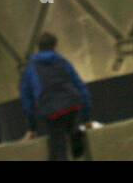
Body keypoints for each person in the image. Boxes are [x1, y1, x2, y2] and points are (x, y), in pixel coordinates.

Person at [19, 33, 91, 161]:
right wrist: (86, 118)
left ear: (38, 47)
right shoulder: (63, 62)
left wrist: (31, 127)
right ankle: (75, 134)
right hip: (72, 106)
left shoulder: (31, 68)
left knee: (58, 148)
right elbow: (81, 87)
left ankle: (71, 141)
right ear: (55, 46)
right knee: (72, 136)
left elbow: (27, 101)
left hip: (51, 111)